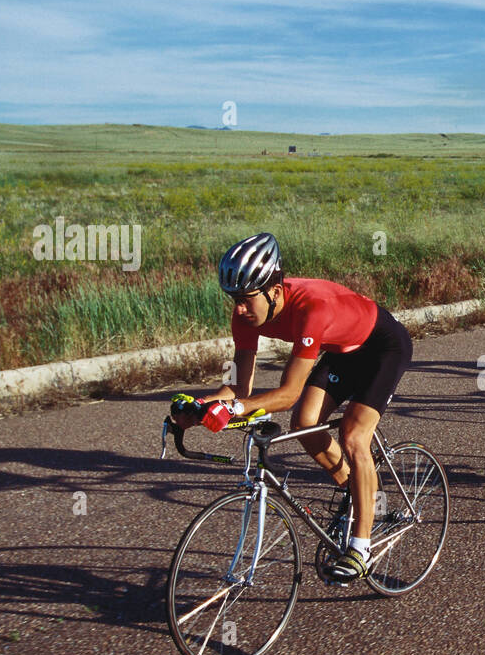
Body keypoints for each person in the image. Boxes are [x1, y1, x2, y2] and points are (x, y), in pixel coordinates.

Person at [169, 232, 412, 583]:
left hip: (383, 346)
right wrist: (198, 405)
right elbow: (239, 386)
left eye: (245, 299)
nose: (238, 309)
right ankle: (358, 493)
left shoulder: (312, 310)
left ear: (275, 291)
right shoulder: (246, 316)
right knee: (304, 424)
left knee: (354, 436)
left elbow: (287, 393)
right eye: (233, 299)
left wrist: (234, 410)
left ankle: (361, 548)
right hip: (343, 351)